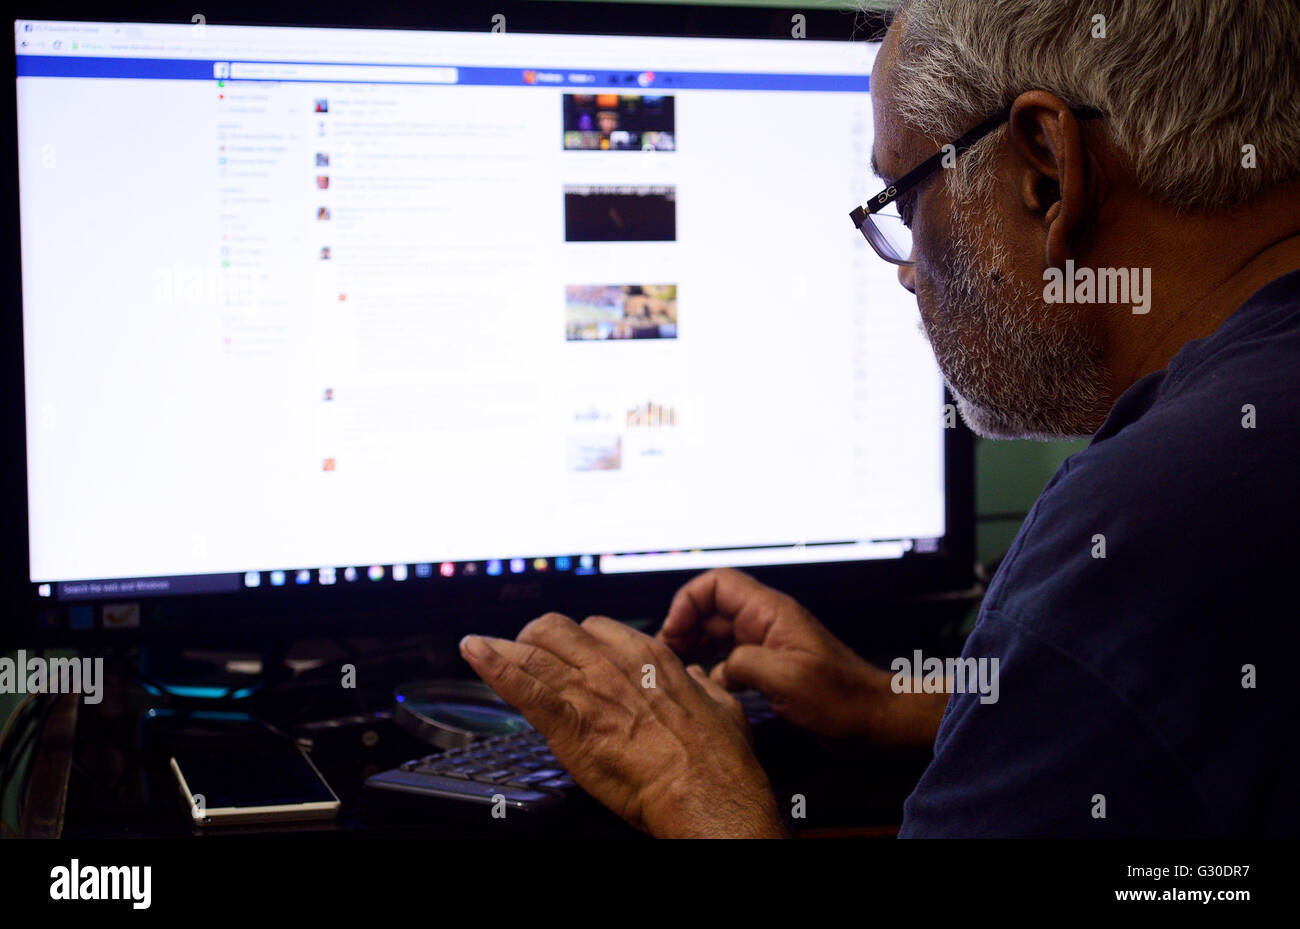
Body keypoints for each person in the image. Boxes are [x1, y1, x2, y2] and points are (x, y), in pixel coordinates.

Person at [459, 0, 1300, 837]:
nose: (904, 273)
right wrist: (895, 702)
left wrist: (696, 789)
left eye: (902, 204)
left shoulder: (1145, 520)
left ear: (1046, 171)